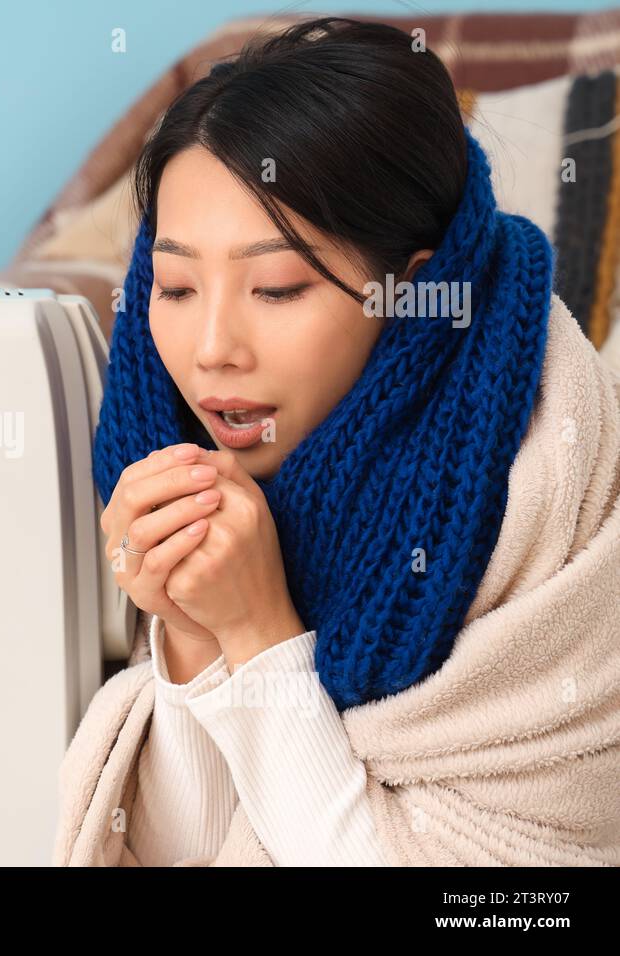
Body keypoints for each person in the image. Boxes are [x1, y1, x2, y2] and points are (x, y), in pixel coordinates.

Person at [55, 16, 620, 867]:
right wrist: (197, 637)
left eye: (276, 288)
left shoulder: (549, 477)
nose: (211, 350)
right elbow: (179, 852)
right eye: (174, 285)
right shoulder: (168, 445)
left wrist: (260, 634)